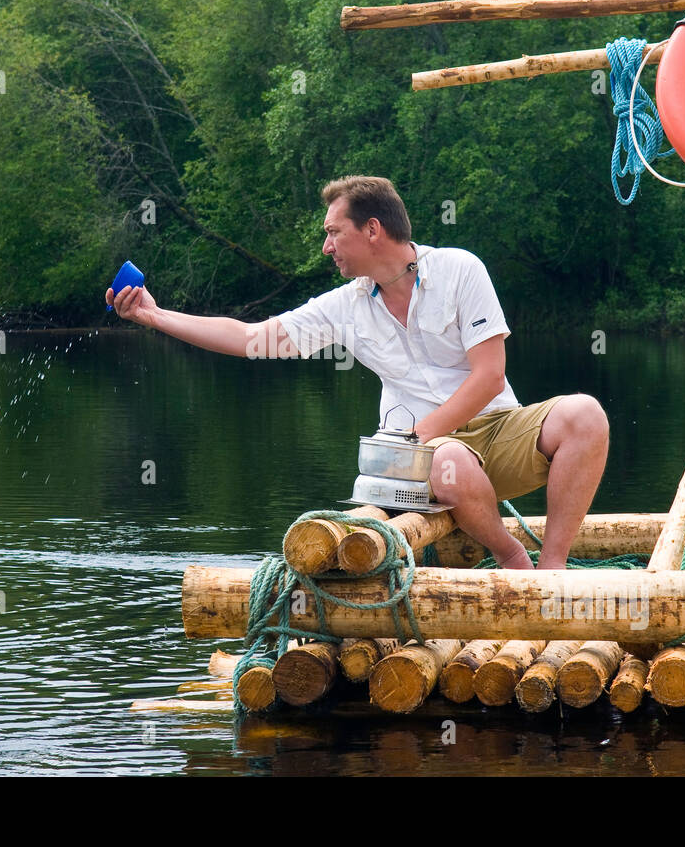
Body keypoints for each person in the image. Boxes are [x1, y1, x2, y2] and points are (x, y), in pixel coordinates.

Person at [105, 175, 609, 568]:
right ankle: (511, 556)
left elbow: (489, 377)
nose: (326, 246)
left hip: (494, 430)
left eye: (333, 232)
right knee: (445, 460)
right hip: (429, 462)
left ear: (372, 229)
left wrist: (420, 432)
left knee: (585, 414)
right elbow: (249, 338)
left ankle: (552, 565)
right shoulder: (345, 305)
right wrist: (154, 315)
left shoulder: (460, 269)